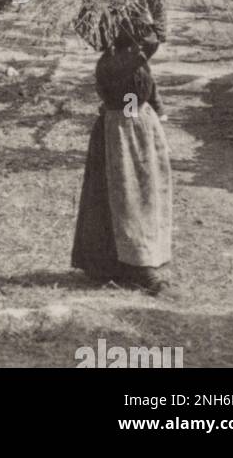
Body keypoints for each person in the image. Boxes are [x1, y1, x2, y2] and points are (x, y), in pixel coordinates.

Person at [71, 27, 173, 295]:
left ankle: (137, 258)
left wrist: (155, 108)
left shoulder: (131, 58)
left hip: (134, 126)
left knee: (138, 193)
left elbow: (146, 75)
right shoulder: (115, 60)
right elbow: (150, 42)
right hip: (121, 130)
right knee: (123, 196)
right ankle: (123, 262)